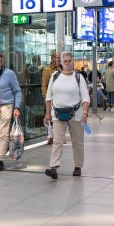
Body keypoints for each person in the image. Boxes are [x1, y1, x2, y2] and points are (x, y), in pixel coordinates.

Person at [44, 51, 90, 179]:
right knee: (57, 141)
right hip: (58, 114)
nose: (68, 63)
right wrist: (47, 113)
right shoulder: (55, 76)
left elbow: (85, 97)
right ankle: (53, 167)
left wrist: (85, 113)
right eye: (65, 61)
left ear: (73, 62)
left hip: (76, 114)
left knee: (77, 141)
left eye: (70, 61)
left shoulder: (78, 77)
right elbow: (48, 96)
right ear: (61, 63)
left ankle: (78, 166)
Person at [41, 52, 60, 144]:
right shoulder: (47, 69)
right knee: (50, 117)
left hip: (61, 96)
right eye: (56, 57)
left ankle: (59, 136)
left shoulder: (62, 69)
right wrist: (45, 97)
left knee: (59, 117)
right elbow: (44, 84)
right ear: (52, 58)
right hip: (51, 96)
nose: (58, 59)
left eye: (59, 58)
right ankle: (50, 136)